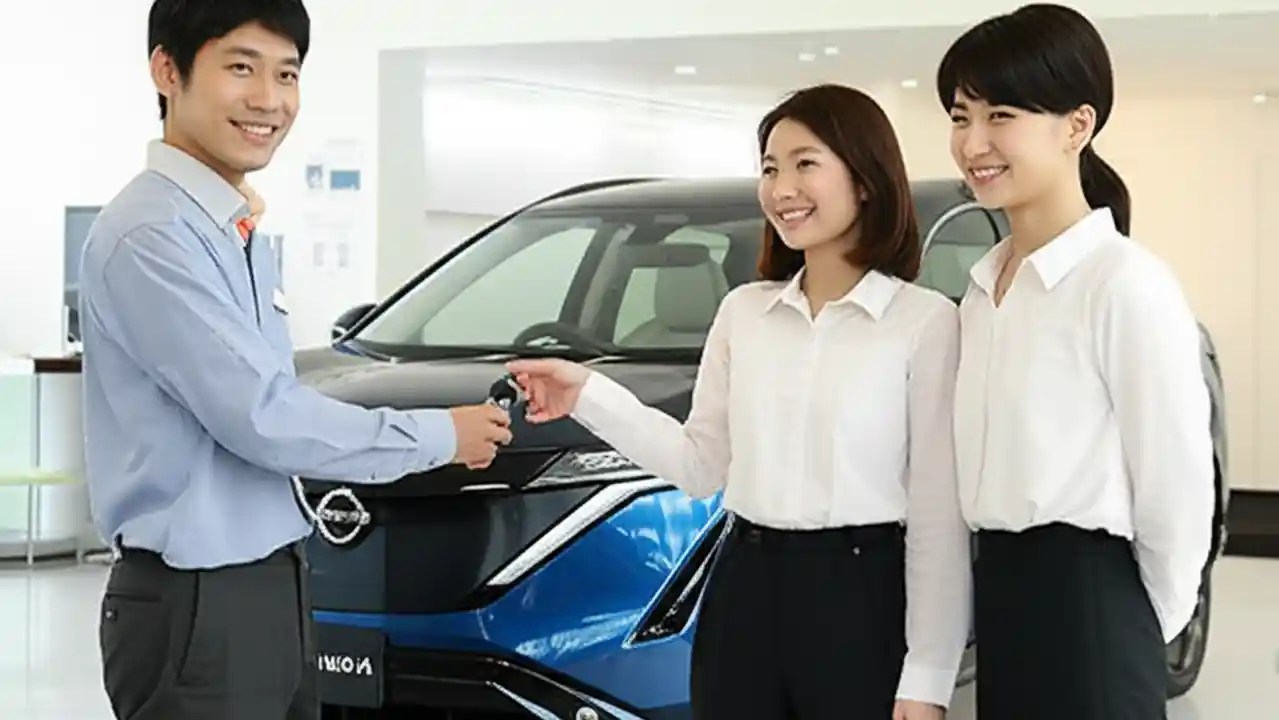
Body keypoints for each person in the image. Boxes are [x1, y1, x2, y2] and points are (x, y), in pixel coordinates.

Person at [80, 2, 512, 719]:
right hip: (197, 600)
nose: (270, 100)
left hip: (271, 582)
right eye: (241, 67)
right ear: (167, 71)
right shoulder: (152, 234)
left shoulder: (231, 226)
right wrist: (439, 436)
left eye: (287, 73)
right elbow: (262, 417)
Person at [506, 84, 971, 720]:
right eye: (770, 168)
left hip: (862, 596)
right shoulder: (744, 313)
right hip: (744, 590)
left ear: (865, 179)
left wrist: (928, 677)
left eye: (806, 164)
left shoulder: (924, 322)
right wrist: (587, 393)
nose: (782, 189)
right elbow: (700, 465)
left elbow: (938, 517)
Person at [937, 4, 1215, 719]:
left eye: (1000, 115)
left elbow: (1177, 488)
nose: (973, 143)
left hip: (1089, 606)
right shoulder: (982, 287)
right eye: (961, 116)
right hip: (1001, 594)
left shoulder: (1124, 281)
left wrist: (1132, 626)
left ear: (1077, 125)